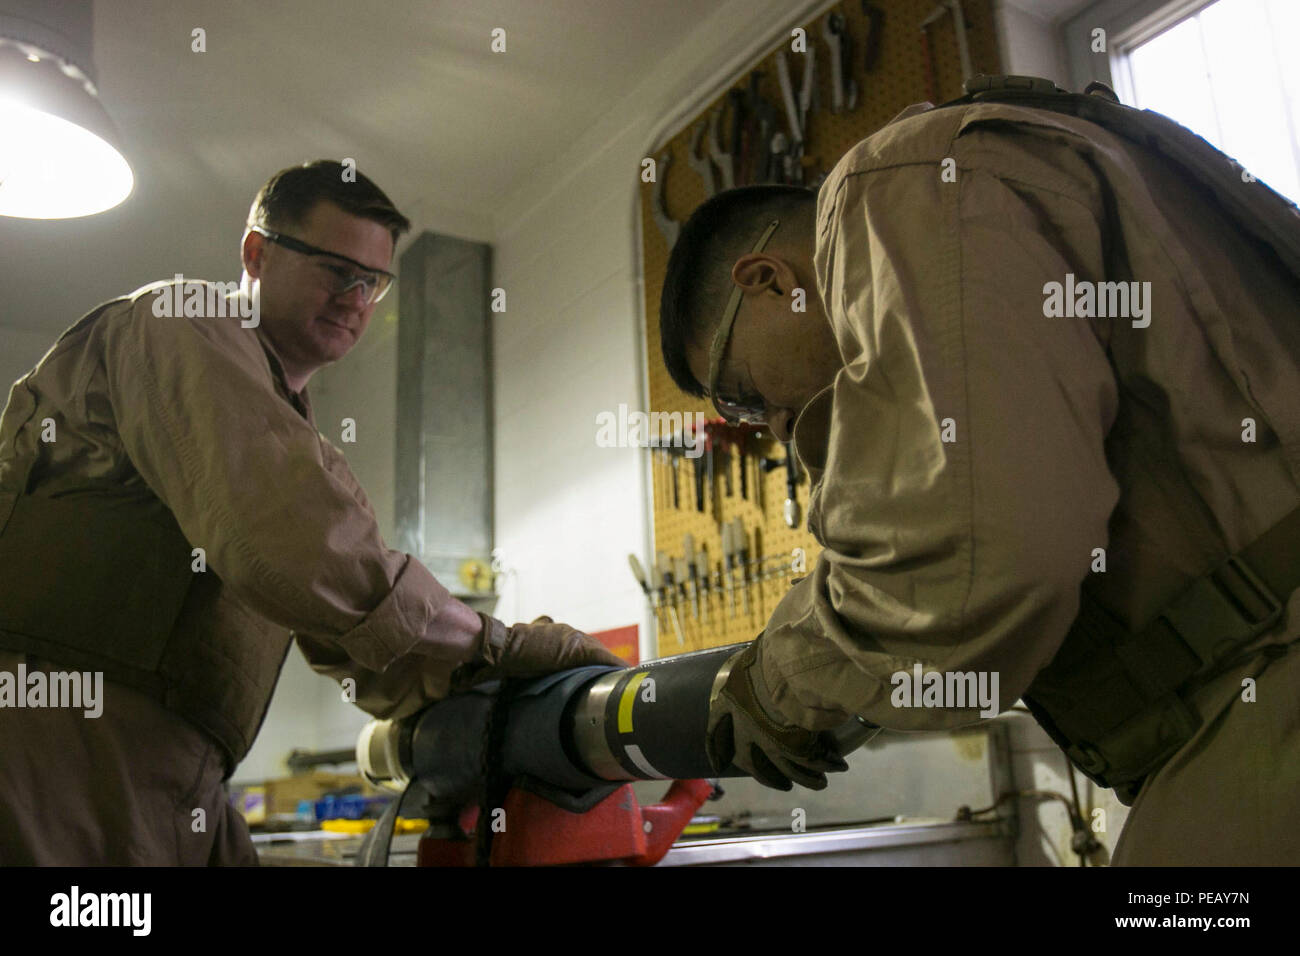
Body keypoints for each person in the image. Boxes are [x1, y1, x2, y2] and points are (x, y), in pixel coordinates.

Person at [659, 96, 1300, 865]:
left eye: (740, 396)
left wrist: (777, 681)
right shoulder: (1000, 170)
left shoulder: (896, 181)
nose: (769, 427)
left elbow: (971, 561)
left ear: (766, 278)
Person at [0, 160, 621, 865]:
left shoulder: (302, 452)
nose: (356, 298)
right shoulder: (181, 319)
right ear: (256, 254)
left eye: (374, 282)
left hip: (175, 775)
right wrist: (492, 644)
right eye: (335, 269)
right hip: (57, 751)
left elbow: (359, 645)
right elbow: (294, 547)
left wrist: (507, 686)